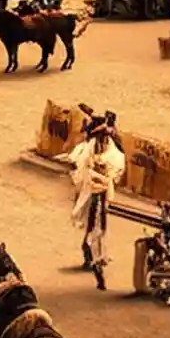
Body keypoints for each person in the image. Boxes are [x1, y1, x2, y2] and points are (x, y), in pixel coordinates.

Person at [54, 114, 126, 291]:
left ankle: (97, 257)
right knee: (93, 222)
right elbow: (78, 161)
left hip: (101, 189)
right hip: (91, 189)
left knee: (100, 224)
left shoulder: (112, 151)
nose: (102, 140)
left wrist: (106, 175)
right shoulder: (89, 148)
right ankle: (93, 258)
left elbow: (117, 167)